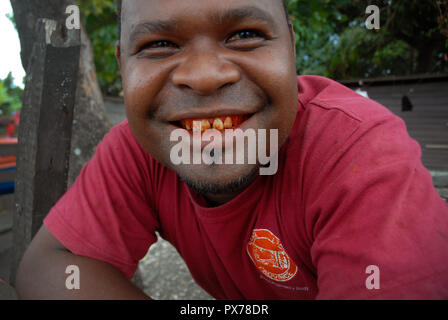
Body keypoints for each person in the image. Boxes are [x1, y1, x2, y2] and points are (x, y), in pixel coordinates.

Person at [16, 0, 448, 299]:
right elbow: (47, 266)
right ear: (122, 65)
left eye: (245, 34)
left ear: (291, 47)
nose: (204, 76)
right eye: (159, 45)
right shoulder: (139, 149)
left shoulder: (356, 150)